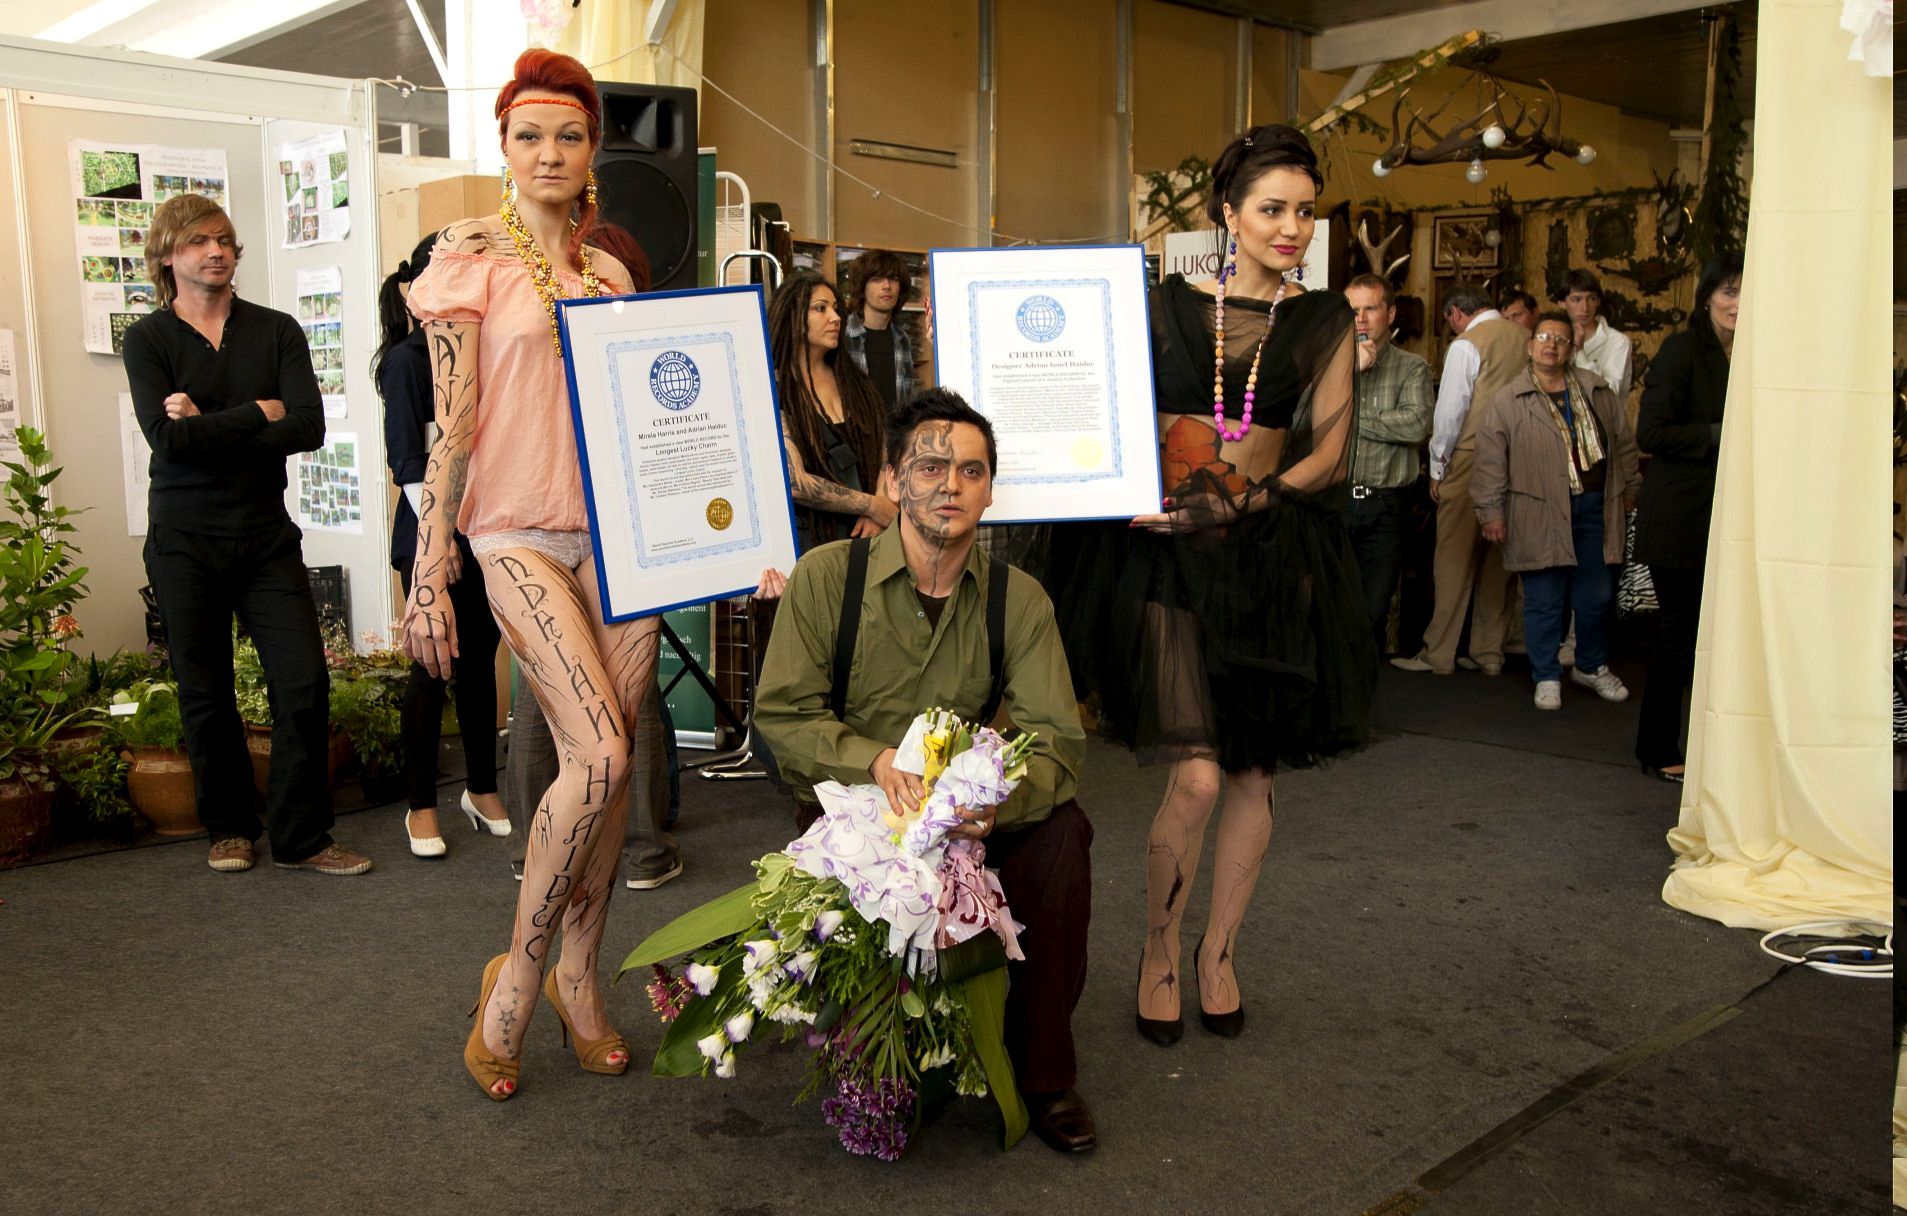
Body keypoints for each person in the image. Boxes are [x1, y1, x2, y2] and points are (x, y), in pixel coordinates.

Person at [1046, 124, 1370, 1051]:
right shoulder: (1158, 308)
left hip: (1268, 558)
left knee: (1252, 773)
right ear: (1227, 215)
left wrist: (1244, 505)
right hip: (1157, 558)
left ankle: (1217, 953)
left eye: (1305, 212)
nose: (1291, 228)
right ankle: (1157, 947)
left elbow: (1329, 454)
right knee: (1190, 776)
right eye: (1272, 209)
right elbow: (1086, 403)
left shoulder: (1323, 321)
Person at [754, 390, 1098, 1154]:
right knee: (889, 1086)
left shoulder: (1018, 598)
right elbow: (780, 716)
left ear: (988, 488)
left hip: (970, 820)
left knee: (1063, 837)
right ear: (891, 480)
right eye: (931, 465)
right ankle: (884, 1051)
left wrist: (994, 808)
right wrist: (871, 764)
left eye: (970, 470)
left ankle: (1042, 1073)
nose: (951, 484)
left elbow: (1055, 741)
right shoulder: (825, 578)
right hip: (856, 813)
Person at [401, 49, 645, 1102]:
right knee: (590, 753)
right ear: (501, 148)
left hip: (627, 542)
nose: (549, 153)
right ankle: (520, 975)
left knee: (619, 771)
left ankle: (582, 978)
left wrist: (727, 535)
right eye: (528, 135)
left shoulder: (614, 278)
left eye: (569, 134)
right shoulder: (466, 264)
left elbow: (657, 428)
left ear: (593, 152)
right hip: (515, 534)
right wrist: (429, 559)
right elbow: (452, 424)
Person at [123, 194, 371, 877]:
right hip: (183, 539)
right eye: (200, 240)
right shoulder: (147, 340)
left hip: (264, 535)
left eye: (226, 239)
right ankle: (230, 827)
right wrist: (257, 413)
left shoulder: (276, 331)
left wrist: (208, 420)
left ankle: (302, 837)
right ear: (168, 254)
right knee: (205, 691)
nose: (217, 251)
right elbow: (168, 443)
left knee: (303, 682)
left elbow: (309, 427)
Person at [377, 231, 511, 857]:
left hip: (483, 529)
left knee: (482, 661)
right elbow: (409, 463)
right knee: (432, 666)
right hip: (429, 533)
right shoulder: (406, 359)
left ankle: (481, 788)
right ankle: (421, 805)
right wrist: (439, 537)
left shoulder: (488, 350)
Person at [1470, 313, 1639, 711]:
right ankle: (1546, 674)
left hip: (1595, 508)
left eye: (1561, 339)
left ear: (1571, 348)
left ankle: (1591, 665)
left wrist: (1631, 488)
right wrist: (1490, 511)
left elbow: (1624, 445)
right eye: (1543, 337)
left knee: (1596, 596)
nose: (1551, 344)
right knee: (1544, 599)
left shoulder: (1597, 392)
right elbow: (1490, 460)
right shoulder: (1508, 400)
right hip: (1537, 509)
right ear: (1530, 346)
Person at [1632, 254, 1742, 781]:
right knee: (1679, 633)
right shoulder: (1681, 350)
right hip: (1677, 516)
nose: (1738, 304)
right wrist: (1718, 435)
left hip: (1724, 518)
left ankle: (1704, 748)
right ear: (1707, 298)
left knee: (1712, 635)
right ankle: (1657, 749)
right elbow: (1649, 434)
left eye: (1746, 293)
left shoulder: (1749, 354)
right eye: (1729, 293)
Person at [1392, 286, 1525, 676]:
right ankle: (1489, 654)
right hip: (1519, 459)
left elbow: (1451, 411)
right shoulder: (1526, 338)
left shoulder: (1467, 344)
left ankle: (1439, 654)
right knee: (1499, 562)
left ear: (1453, 314)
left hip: (1472, 456)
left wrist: (1437, 467)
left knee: (1452, 557)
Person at [769, 271, 895, 552]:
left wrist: (882, 501)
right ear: (794, 316)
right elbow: (795, 483)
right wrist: (872, 505)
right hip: (812, 547)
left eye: (836, 309)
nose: (836, 318)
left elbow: (884, 448)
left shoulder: (854, 381)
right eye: (820, 308)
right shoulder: (776, 389)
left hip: (871, 539)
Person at [1344, 272, 1433, 651]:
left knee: (1371, 611)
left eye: (1370, 309)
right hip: (1335, 503)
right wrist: (1349, 373)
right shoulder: (1329, 366)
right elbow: (1303, 423)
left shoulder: (1412, 368)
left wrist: (1347, 419)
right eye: (1352, 310)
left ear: (1391, 313)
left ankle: (1359, 699)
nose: (1360, 318)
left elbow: (1415, 426)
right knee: (1330, 606)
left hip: (1386, 507)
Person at [840, 250, 917, 411]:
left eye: (893, 279)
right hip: (854, 433)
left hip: (893, 434)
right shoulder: (842, 335)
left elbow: (906, 401)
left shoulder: (902, 340)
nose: (886, 286)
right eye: (877, 279)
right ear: (862, 287)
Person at [1557, 269, 1633, 403]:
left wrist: (1579, 351)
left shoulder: (1618, 342)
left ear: (1598, 301)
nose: (1585, 308)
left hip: (1603, 422)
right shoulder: (1555, 339)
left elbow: (1609, 395)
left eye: (1591, 299)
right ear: (1562, 303)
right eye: (1576, 300)